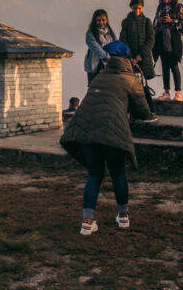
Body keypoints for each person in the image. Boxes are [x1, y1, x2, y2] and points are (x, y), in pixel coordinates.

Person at [61, 41, 150, 235]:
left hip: (88, 131)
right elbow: (143, 111)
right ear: (127, 59)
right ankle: (123, 217)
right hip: (113, 131)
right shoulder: (131, 80)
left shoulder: (99, 78)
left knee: (94, 174)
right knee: (118, 172)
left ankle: (87, 222)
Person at [152, 0, 183, 101]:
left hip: (173, 41)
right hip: (162, 40)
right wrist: (159, 21)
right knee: (164, 67)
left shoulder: (179, 7)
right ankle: (166, 91)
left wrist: (172, 21)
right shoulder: (160, 7)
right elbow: (154, 21)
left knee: (174, 66)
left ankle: (178, 92)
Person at [120, 0, 157, 115]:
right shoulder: (125, 22)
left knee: (144, 86)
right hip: (130, 59)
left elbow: (151, 40)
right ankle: (132, 112)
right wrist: (130, 56)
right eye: (135, 8)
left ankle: (151, 110)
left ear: (143, 8)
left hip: (143, 60)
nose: (137, 11)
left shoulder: (147, 22)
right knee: (130, 86)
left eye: (139, 8)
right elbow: (123, 40)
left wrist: (141, 55)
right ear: (131, 7)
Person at [84, 9, 116, 85]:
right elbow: (96, 49)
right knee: (94, 90)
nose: (101, 22)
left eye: (103, 20)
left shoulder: (110, 33)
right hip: (94, 67)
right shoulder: (90, 34)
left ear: (107, 20)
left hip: (108, 67)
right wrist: (108, 56)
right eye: (98, 20)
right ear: (94, 21)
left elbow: (116, 44)